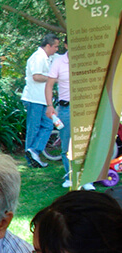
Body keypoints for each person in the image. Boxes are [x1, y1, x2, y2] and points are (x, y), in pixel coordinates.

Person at [44, 41, 95, 191]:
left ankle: (87, 179)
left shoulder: (86, 60)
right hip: (65, 108)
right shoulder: (59, 62)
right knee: (66, 145)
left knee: (85, 143)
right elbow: (49, 85)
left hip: (84, 107)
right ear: (66, 45)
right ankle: (70, 176)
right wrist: (50, 106)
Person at [22, 33, 60, 169]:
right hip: (34, 98)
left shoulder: (48, 57)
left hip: (43, 99)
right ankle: (31, 158)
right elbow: (37, 76)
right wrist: (52, 79)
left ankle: (34, 151)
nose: (57, 49)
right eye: (55, 46)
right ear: (48, 45)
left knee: (48, 125)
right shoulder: (38, 58)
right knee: (34, 127)